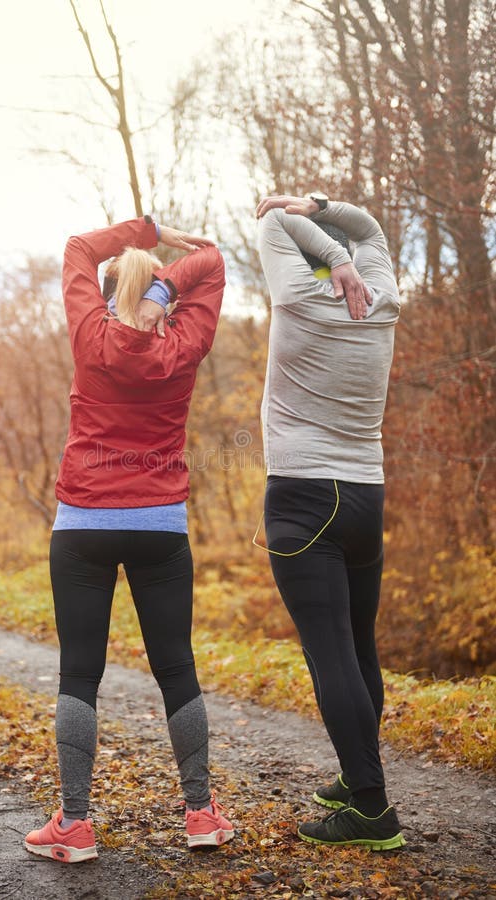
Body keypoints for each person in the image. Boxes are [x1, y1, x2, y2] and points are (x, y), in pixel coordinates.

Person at [24, 215, 234, 863]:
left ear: (110, 289)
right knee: (176, 668)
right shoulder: (184, 343)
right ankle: (200, 814)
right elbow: (216, 262)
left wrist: (145, 230)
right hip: (159, 525)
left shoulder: (92, 335)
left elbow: (78, 248)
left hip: (83, 523)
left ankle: (75, 826)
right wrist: (165, 286)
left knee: (79, 674)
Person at [255, 192, 405, 851]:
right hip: (364, 496)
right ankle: (355, 775)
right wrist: (318, 206)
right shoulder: (381, 297)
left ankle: (369, 810)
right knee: (358, 646)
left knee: (330, 653)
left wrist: (319, 247)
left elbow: (268, 218)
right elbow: (368, 224)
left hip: (301, 499)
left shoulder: (295, 295)